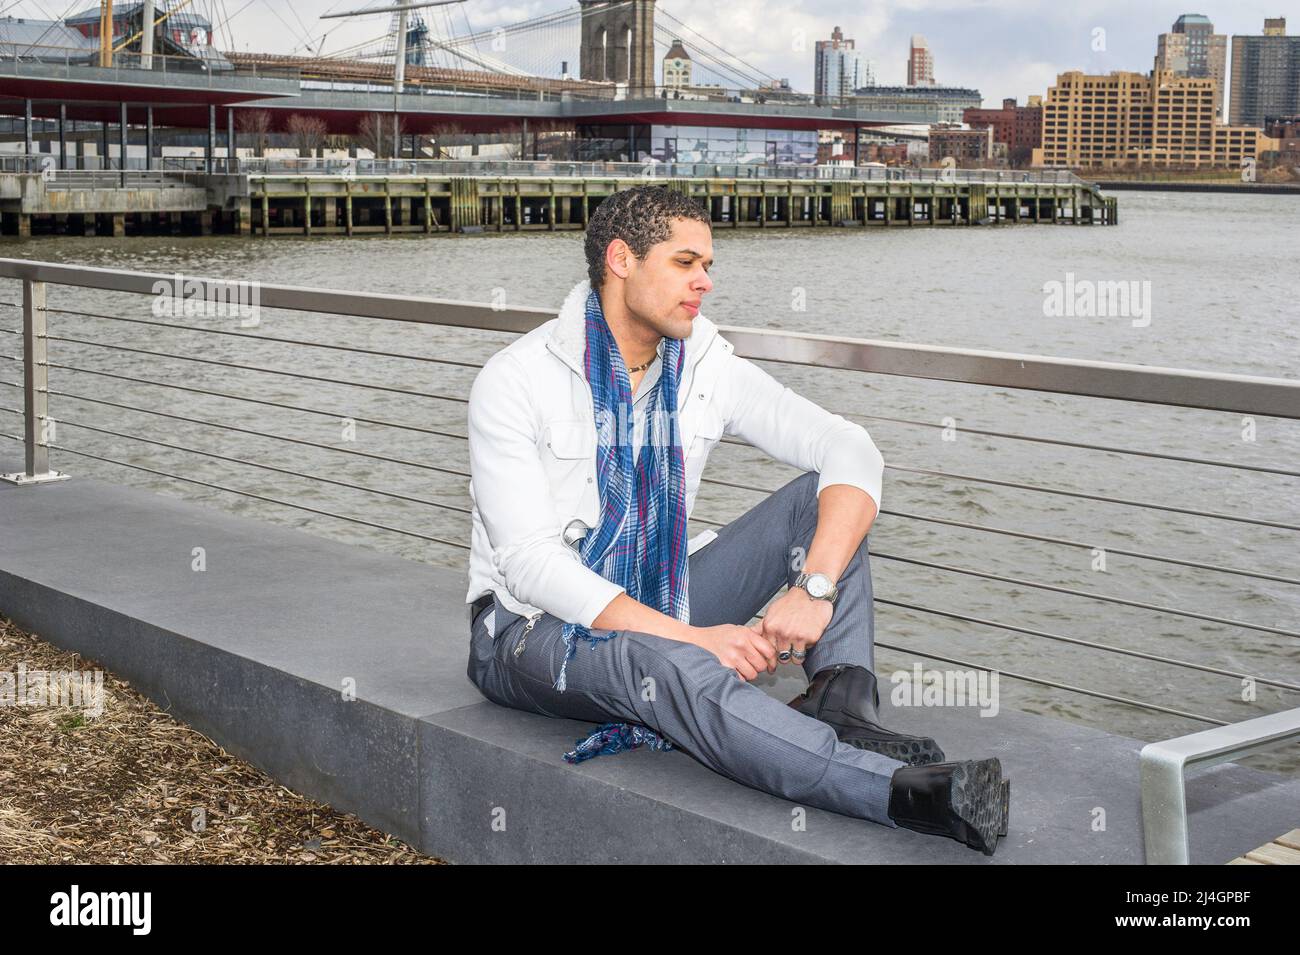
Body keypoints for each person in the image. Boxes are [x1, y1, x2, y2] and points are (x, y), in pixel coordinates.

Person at [464, 184, 1010, 855]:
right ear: (620, 260)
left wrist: (815, 588)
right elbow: (531, 564)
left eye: (709, 265)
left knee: (823, 498)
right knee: (660, 660)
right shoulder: (517, 378)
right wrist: (692, 640)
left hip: (658, 595)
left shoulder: (701, 362)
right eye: (686, 263)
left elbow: (848, 448)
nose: (705, 283)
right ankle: (906, 791)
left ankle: (839, 702)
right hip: (523, 632)